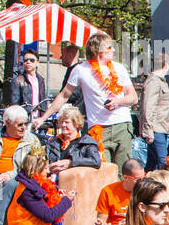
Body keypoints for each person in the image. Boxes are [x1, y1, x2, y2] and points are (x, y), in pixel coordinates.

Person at [38, 33, 138, 170]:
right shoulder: (80, 70)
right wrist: (43, 117)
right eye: (109, 47)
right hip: (98, 128)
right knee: (103, 171)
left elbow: (133, 97)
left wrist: (118, 101)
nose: (113, 50)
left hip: (122, 125)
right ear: (98, 50)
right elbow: (63, 96)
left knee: (124, 171)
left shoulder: (119, 68)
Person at [3, 149, 70, 225]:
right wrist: (67, 201)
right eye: (45, 169)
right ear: (36, 169)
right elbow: (48, 215)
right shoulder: (28, 191)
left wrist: (59, 199)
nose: (48, 172)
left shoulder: (30, 186)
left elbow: (44, 206)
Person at [93, 160, 146, 225]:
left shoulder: (145, 191)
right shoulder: (108, 191)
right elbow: (101, 223)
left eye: (144, 177)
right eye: (138, 179)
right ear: (125, 177)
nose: (142, 181)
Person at [44, 105, 102, 180]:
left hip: (76, 182)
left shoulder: (86, 142)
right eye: (61, 122)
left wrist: (71, 162)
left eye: (67, 122)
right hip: (52, 181)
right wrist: (47, 169)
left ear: (76, 124)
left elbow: (96, 161)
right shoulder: (53, 143)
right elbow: (44, 162)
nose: (63, 125)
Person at [139, 51, 169, 170]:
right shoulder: (154, 81)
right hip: (156, 129)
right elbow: (148, 106)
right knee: (162, 163)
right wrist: (148, 130)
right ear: (166, 65)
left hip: (161, 128)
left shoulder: (159, 81)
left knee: (152, 163)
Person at [56, 41, 83, 111]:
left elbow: (70, 94)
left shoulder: (76, 71)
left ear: (70, 55)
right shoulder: (71, 69)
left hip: (75, 111)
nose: (60, 57)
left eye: (63, 55)